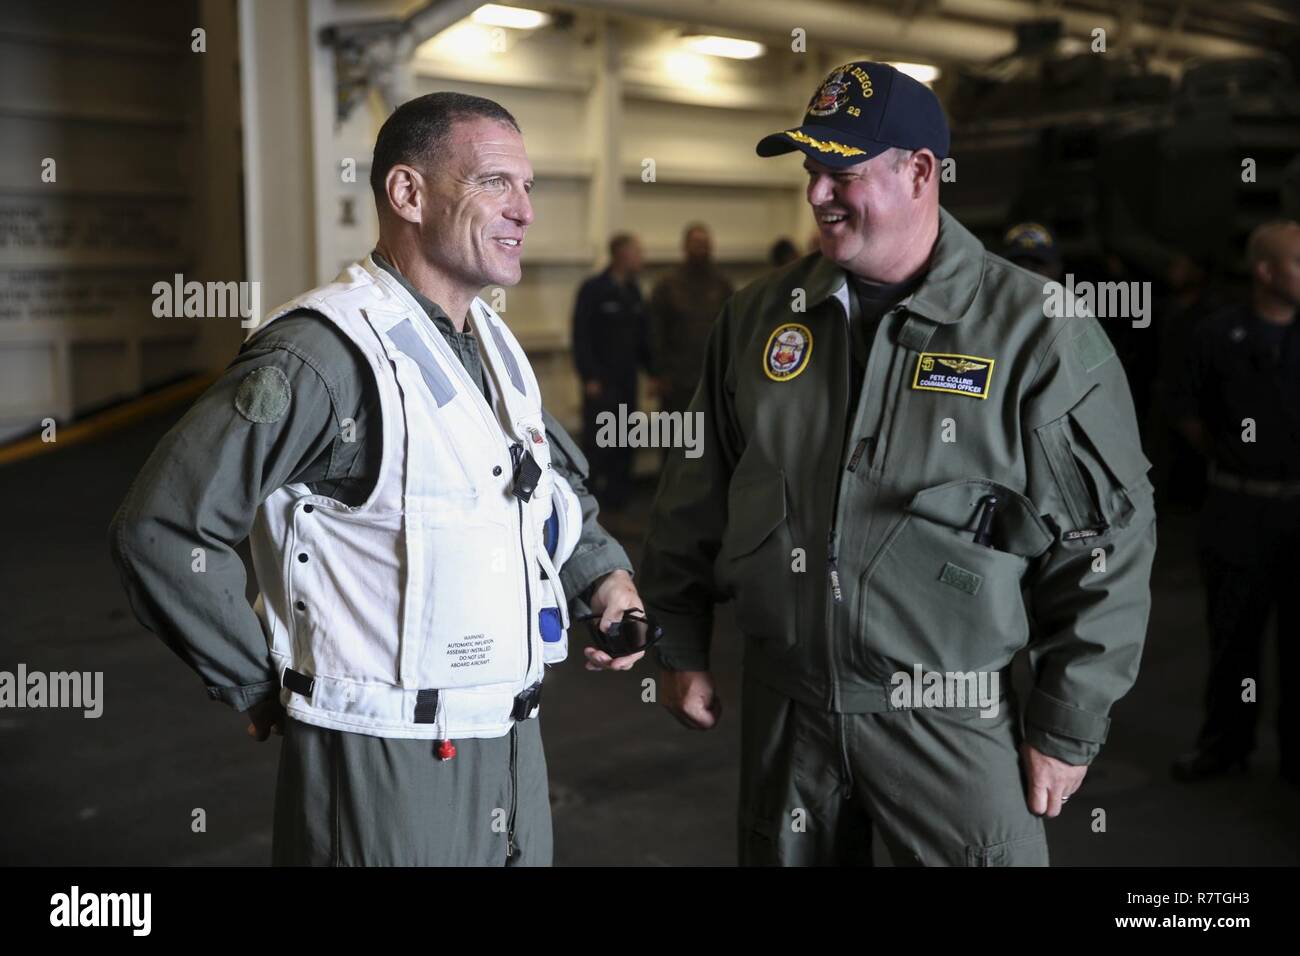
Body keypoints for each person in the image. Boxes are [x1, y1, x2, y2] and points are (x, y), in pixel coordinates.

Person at [638, 61, 1157, 866]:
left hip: (949, 719)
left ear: (920, 172)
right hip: (787, 708)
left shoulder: (1037, 333)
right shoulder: (758, 318)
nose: (815, 195)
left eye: (839, 173)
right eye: (811, 172)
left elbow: (1105, 544)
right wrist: (678, 640)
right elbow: (694, 492)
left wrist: (1067, 722)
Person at [108, 92, 647, 867]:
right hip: (386, 758)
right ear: (408, 194)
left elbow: (545, 484)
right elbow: (161, 527)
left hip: (513, 741)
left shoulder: (492, 345)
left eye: (529, 187)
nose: (524, 210)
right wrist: (256, 682)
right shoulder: (322, 356)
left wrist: (604, 579)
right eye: (497, 182)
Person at [1167, 220, 1300, 785]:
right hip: (1238, 510)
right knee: (1233, 638)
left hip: (1298, 510)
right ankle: (1225, 744)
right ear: (1266, 272)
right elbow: (1187, 413)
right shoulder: (1216, 334)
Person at [572, 233, 651, 511]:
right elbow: (581, 335)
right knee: (597, 442)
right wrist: (589, 377)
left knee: (625, 439)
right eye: (637, 253)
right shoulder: (593, 289)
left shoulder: (633, 291)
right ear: (621, 255)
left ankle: (619, 499)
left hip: (627, 381)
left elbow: (642, 338)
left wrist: (652, 372)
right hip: (602, 383)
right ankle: (590, 501)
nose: (642, 259)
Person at [649, 223, 734, 416]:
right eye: (696, 243)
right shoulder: (667, 285)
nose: (701, 247)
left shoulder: (722, 285)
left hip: (712, 376)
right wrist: (658, 373)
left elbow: (732, 328)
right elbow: (655, 331)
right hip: (675, 378)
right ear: (685, 246)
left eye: (705, 243)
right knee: (674, 436)